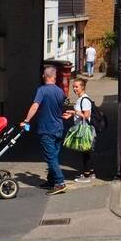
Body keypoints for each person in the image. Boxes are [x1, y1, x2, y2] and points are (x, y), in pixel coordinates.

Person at [20, 66, 73, 194]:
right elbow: (60, 107)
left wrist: (26, 121)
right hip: (59, 127)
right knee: (54, 155)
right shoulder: (60, 92)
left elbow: (35, 106)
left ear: (44, 76)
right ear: (54, 77)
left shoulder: (42, 90)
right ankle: (51, 181)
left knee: (50, 157)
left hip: (47, 128)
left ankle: (60, 183)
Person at [70, 76, 96, 183]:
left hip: (85, 130)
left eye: (76, 87)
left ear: (83, 87)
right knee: (87, 152)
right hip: (82, 128)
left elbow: (86, 115)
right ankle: (91, 172)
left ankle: (86, 176)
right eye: (73, 87)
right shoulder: (81, 98)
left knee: (85, 152)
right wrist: (70, 115)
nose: (75, 89)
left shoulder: (85, 99)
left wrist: (74, 112)